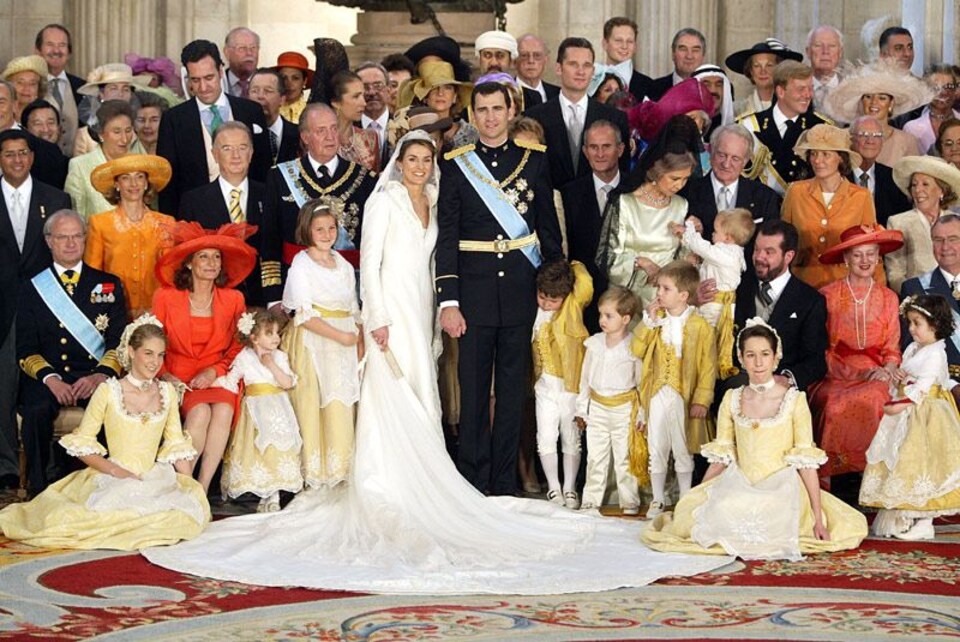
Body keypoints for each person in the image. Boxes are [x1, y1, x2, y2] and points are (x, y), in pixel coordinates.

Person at [140, 129, 733, 597]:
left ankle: (431, 473)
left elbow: (439, 257)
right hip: (388, 310)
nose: (419, 168)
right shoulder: (387, 200)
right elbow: (370, 262)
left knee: (424, 393)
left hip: (422, 307)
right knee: (393, 395)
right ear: (399, 162)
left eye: (427, 162)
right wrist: (374, 317)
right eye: (413, 161)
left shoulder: (436, 197)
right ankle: (387, 483)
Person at [641, 319, 869, 559]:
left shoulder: (794, 400)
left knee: (772, 513)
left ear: (775, 357)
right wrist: (696, 496)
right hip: (740, 482)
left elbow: (805, 463)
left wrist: (817, 514)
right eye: (750, 355)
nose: (758, 362)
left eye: (764, 354)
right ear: (741, 358)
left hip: (782, 486)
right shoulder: (732, 398)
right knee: (709, 509)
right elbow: (722, 458)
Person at [436, 82, 563, 495]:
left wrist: (552, 288)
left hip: (520, 294)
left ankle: (505, 481)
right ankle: (474, 479)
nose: (490, 117)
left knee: (512, 393)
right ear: (472, 115)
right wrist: (448, 301)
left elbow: (549, 231)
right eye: (482, 110)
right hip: (471, 295)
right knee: (473, 392)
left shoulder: (536, 161)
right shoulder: (457, 165)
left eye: (497, 108)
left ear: (512, 111)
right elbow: (448, 238)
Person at [0, 316, 209, 549]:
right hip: (113, 476)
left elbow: (175, 446)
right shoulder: (108, 391)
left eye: (160, 355)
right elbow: (83, 445)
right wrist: (117, 471)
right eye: (148, 353)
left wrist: (189, 486)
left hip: (153, 477)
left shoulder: (167, 392)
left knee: (178, 515)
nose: (155, 362)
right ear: (131, 351)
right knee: (92, 520)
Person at [16, 210, 127, 494]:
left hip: (92, 375)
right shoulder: (31, 288)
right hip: (49, 377)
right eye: (62, 237)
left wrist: (100, 376)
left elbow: (118, 341)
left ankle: (105, 486)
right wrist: (51, 379)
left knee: (108, 406)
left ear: (84, 239)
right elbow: (25, 348)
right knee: (37, 409)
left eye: (76, 236)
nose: (70, 243)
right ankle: (37, 489)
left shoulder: (109, 284)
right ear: (49, 241)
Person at [151, 222, 254, 493]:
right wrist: (165, 375)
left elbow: (236, 347)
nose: (212, 263)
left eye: (217, 257)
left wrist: (215, 371)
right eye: (204, 256)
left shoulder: (233, 299)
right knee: (199, 413)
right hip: (178, 376)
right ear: (188, 263)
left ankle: (204, 488)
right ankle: (184, 485)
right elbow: (153, 341)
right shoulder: (165, 297)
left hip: (216, 375)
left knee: (223, 409)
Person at [0, 130, 72, 484]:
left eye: (23, 153)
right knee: (1, 388)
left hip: (44, 305)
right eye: (9, 154)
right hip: (0, 305)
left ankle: (53, 465)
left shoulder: (56, 198)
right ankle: (6, 468)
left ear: (32, 156)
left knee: (37, 386)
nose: (17, 160)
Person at [807, 225, 905, 483]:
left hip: (879, 372)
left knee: (877, 397)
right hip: (834, 372)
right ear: (846, 259)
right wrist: (858, 372)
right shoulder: (826, 296)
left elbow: (892, 348)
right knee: (834, 405)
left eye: (871, 254)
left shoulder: (889, 298)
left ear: (878, 257)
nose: (865, 261)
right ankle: (830, 481)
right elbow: (821, 348)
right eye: (858, 255)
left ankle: (874, 483)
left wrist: (890, 369)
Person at [860, 294, 960, 540]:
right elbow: (909, 377)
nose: (912, 329)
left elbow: (925, 386)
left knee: (922, 463)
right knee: (903, 463)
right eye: (911, 323)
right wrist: (899, 382)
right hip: (908, 411)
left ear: (934, 326)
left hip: (926, 413)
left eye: (917, 323)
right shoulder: (914, 348)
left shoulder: (936, 352)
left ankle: (924, 521)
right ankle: (908, 516)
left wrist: (902, 404)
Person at [280, 199, 361, 489]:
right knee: (315, 403)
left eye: (331, 228)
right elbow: (303, 315)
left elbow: (352, 307)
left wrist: (356, 339)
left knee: (341, 401)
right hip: (316, 339)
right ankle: (317, 472)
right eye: (319, 229)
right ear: (307, 231)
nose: (327, 234)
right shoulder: (302, 264)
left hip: (345, 338)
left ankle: (342, 468)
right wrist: (340, 336)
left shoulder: (342, 264)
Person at [259, 102, 376, 294]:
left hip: (349, 286)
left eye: (333, 128)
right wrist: (274, 295)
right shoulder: (280, 177)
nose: (330, 137)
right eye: (321, 131)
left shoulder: (364, 179)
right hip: (297, 286)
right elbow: (270, 240)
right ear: (305, 137)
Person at [632, 261, 716, 517]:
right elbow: (636, 350)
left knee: (681, 445)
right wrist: (648, 322)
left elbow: (708, 366)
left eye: (665, 288)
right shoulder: (655, 323)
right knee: (657, 444)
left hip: (684, 395)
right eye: (659, 287)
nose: (659, 293)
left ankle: (685, 497)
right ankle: (657, 499)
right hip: (657, 393)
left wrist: (702, 398)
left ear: (683, 295)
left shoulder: (700, 326)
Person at [156, 39, 270, 215]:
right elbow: (168, 183)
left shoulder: (251, 111)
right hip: (197, 218)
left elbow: (263, 168)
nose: (203, 87)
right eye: (195, 80)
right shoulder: (174, 119)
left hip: (250, 213)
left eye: (209, 78)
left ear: (220, 71)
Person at [216, 309, 302, 512]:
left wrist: (271, 365)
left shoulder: (279, 356)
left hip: (276, 409)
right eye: (269, 333)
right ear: (254, 338)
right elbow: (231, 380)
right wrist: (214, 383)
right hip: (254, 411)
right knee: (257, 450)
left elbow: (287, 382)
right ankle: (263, 492)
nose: (276, 337)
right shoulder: (244, 357)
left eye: (277, 333)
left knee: (275, 447)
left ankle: (274, 494)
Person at [178, 121, 269, 306]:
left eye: (242, 148)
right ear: (214, 154)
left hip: (263, 299)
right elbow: (186, 259)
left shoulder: (270, 194)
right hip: (214, 300)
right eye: (227, 148)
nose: (236, 156)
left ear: (251, 153)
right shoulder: (193, 201)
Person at [731, 219, 828, 393]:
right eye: (757, 250)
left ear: (788, 256)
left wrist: (787, 378)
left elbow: (815, 361)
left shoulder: (810, 301)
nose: (759, 257)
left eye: (769, 252)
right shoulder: (737, 287)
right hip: (739, 384)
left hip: (782, 390)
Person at [781, 124, 879, 289]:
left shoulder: (861, 197)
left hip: (846, 287)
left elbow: (871, 247)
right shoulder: (796, 192)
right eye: (814, 154)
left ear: (841, 158)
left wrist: (877, 290)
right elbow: (783, 241)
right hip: (802, 285)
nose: (818, 161)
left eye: (826, 154)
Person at [596, 145, 696, 308]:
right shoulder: (625, 203)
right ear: (657, 172)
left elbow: (681, 258)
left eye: (685, 179)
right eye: (675, 178)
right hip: (627, 298)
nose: (680, 185)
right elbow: (606, 256)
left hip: (665, 300)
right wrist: (642, 262)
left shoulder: (681, 205)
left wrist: (690, 237)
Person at [526, 37, 630, 190]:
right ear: (559, 68)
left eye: (587, 65)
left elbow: (622, 173)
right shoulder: (533, 117)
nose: (581, 71)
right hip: (550, 207)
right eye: (573, 64)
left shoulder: (615, 118)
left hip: (598, 208)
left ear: (593, 71)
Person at [678, 124, 782, 276]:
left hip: (747, 285)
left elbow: (770, 247)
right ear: (711, 152)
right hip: (696, 282)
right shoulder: (686, 192)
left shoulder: (765, 197)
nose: (726, 164)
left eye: (735, 158)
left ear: (746, 161)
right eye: (721, 155)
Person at [575, 286, 643, 514]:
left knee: (624, 457)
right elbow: (584, 379)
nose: (602, 320)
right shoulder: (594, 344)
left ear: (625, 319)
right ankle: (591, 500)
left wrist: (641, 413)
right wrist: (581, 409)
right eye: (601, 315)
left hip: (624, 408)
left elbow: (641, 383)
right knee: (596, 456)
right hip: (597, 408)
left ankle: (629, 500)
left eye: (608, 316)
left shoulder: (633, 346)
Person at [531, 259, 592, 508]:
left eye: (552, 300)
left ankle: (570, 488)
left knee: (571, 438)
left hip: (570, 387)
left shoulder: (572, 307)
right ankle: (553, 487)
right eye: (543, 297)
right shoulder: (532, 312)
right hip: (543, 386)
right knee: (545, 435)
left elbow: (585, 284)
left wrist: (573, 265)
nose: (546, 303)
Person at [83, 154, 175, 318]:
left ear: (146, 183)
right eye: (126, 178)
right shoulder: (100, 223)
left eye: (139, 177)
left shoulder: (166, 223)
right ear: (116, 184)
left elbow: (170, 276)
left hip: (157, 314)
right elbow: (92, 276)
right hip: (113, 313)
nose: (134, 184)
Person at [675, 208, 754, 378]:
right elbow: (707, 271)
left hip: (714, 307)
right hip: (712, 304)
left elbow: (700, 246)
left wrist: (689, 227)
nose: (712, 233)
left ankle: (703, 375)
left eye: (716, 231)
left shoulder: (728, 254)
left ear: (728, 238)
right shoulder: (725, 254)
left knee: (704, 340)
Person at [561, 119, 624, 332]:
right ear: (585, 152)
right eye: (593, 147)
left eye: (606, 146)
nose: (600, 154)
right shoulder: (568, 194)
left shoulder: (637, 190)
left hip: (626, 301)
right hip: (583, 302)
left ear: (620, 149)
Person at [737, 61, 829, 196]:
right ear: (780, 92)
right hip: (759, 210)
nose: (808, 95)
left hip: (804, 209)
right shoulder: (748, 125)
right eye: (801, 89)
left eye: (810, 88)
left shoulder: (821, 128)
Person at [824, 61, 930, 167]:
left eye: (882, 98)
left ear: (891, 103)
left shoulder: (907, 141)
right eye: (868, 97)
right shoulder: (842, 137)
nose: (874, 102)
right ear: (861, 101)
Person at [900, 215, 960, 388]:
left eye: (953, 239)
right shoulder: (915, 289)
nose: (945, 247)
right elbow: (913, 346)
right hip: (942, 380)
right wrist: (949, 384)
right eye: (938, 240)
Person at [886, 156, 960, 293]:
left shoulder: (956, 221)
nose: (917, 190)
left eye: (925, 184)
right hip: (920, 300)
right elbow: (895, 273)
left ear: (941, 191)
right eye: (914, 185)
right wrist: (915, 297)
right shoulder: (898, 223)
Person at [64, 100, 138, 219]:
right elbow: (76, 216)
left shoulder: (139, 163)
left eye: (128, 131)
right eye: (117, 132)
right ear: (101, 134)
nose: (124, 139)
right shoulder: (80, 166)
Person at [73, 63, 150, 156]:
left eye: (126, 89)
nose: (120, 94)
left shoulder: (140, 130)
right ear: (101, 94)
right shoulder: (85, 135)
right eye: (113, 88)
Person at [399, 60, 475, 152]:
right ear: (424, 97)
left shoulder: (470, 133)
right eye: (434, 88)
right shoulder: (408, 130)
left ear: (455, 96)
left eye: (447, 88)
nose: (440, 93)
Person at [849, 115, 912, 226]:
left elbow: (903, 220)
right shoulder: (837, 176)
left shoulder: (893, 178)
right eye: (864, 135)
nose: (870, 141)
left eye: (876, 136)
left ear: (882, 142)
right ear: (851, 139)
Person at [35, 23, 83, 156]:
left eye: (62, 45)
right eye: (50, 44)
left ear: (69, 52)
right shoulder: (31, 87)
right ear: (38, 51)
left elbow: (94, 128)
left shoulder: (82, 87)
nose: (56, 50)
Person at [726, 38, 803, 118]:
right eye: (757, 66)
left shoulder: (793, 107)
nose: (763, 71)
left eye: (769, 65)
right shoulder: (738, 110)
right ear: (751, 71)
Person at [329, 70, 380, 172]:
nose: (364, 103)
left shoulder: (370, 138)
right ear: (336, 103)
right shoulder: (320, 140)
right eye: (356, 96)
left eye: (363, 96)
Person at [903, 65, 960, 154]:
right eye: (936, 88)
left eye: (948, 87)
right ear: (926, 91)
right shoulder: (912, 129)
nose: (943, 93)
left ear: (955, 91)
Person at [248, 68, 299, 166]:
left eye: (268, 91)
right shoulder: (242, 134)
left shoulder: (298, 134)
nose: (260, 96)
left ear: (282, 99)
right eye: (254, 91)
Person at [598, 17, 654, 103]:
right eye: (618, 40)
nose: (624, 46)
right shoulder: (591, 80)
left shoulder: (650, 85)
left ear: (635, 46)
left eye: (630, 41)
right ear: (605, 44)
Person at [646, 28, 706, 101]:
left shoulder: (712, 91)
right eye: (683, 49)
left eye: (695, 50)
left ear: (703, 56)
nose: (689, 56)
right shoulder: (653, 89)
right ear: (673, 54)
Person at [357, 62, 391, 164]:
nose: (371, 92)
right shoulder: (347, 128)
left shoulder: (404, 126)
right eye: (365, 87)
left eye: (378, 86)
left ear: (388, 90)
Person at [805, 25, 845, 110]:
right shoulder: (795, 89)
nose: (825, 51)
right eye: (818, 45)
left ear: (840, 52)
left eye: (832, 46)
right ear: (808, 52)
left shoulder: (852, 90)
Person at [515, 34, 559, 108]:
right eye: (524, 55)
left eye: (537, 55)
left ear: (546, 60)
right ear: (514, 60)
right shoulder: (506, 92)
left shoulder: (558, 95)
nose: (531, 61)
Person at [1, 55, 48, 123]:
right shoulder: (2, 116)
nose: (26, 88)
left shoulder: (46, 119)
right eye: (20, 82)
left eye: (32, 84)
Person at [223, 27, 260, 98]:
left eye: (253, 48)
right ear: (227, 52)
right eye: (242, 48)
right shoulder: (218, 84)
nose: (249, 53)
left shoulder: (269, 83)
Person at [133, 91, 168, 155]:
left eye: (154, 120)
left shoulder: (174, 150)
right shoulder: (125, 153)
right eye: (141, 120)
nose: (147, 125)